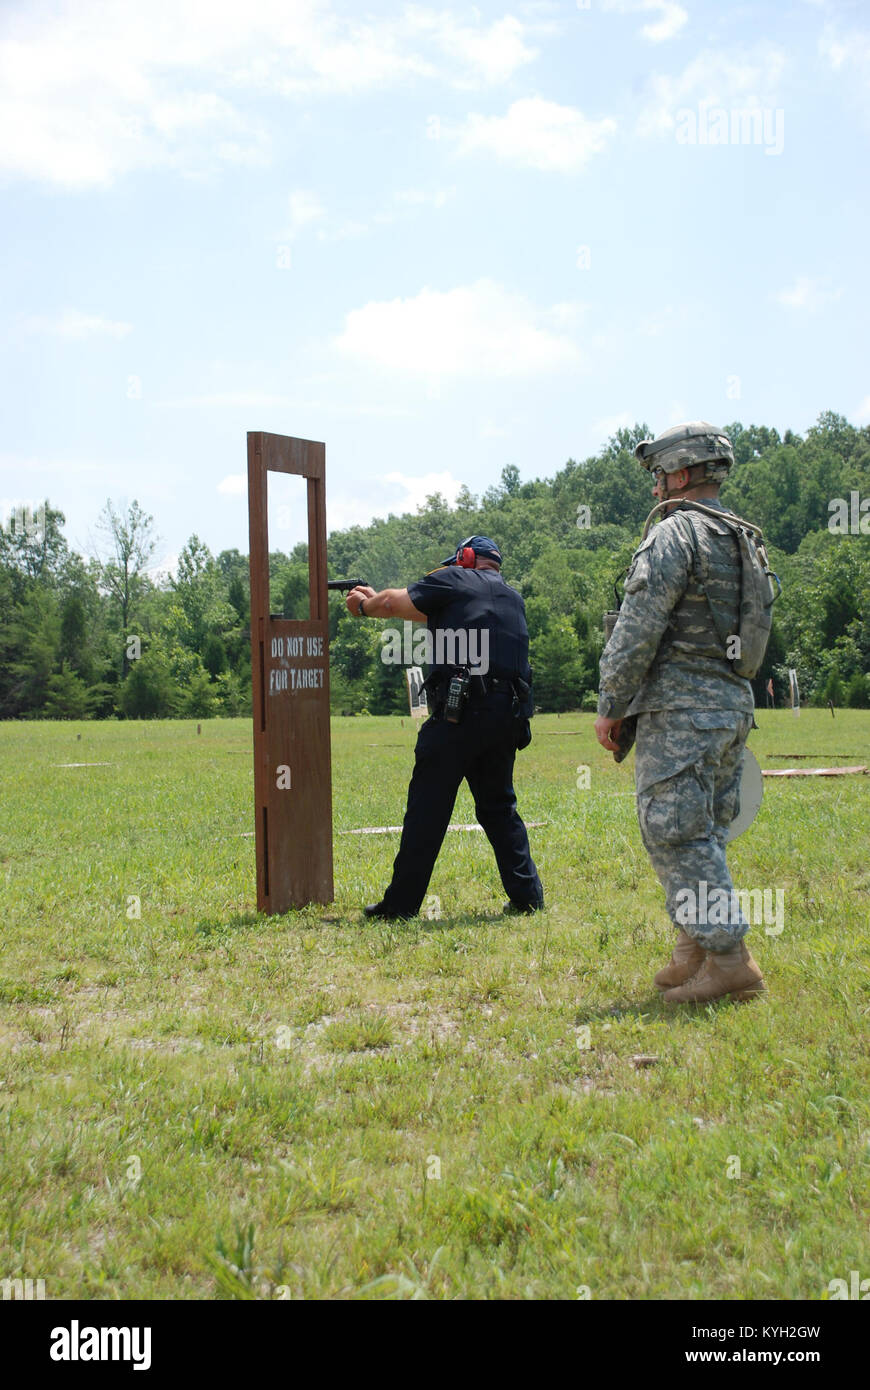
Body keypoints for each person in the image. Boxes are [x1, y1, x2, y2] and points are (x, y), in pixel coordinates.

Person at [595, 422, 765, 1004]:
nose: (655, 489)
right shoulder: (743, 538)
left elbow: (637, 628)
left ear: (684, 474)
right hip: (730, 709)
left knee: (676, 834)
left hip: (682, 711)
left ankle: (729, 962)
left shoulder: (675, 536)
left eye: (660, 475)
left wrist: (611, 704)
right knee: (706, 833)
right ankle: (693, 949)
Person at [345, 536, 543, 920]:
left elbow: (390, 603)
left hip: (459, 714)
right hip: (507, 717)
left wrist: (365, 607)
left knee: (427, 810)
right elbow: (425, 611)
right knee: (500, 808)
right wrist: (377, 599)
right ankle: (527, 896)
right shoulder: (511, 598)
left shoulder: (452, 578)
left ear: (464, 559)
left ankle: (399, 907)